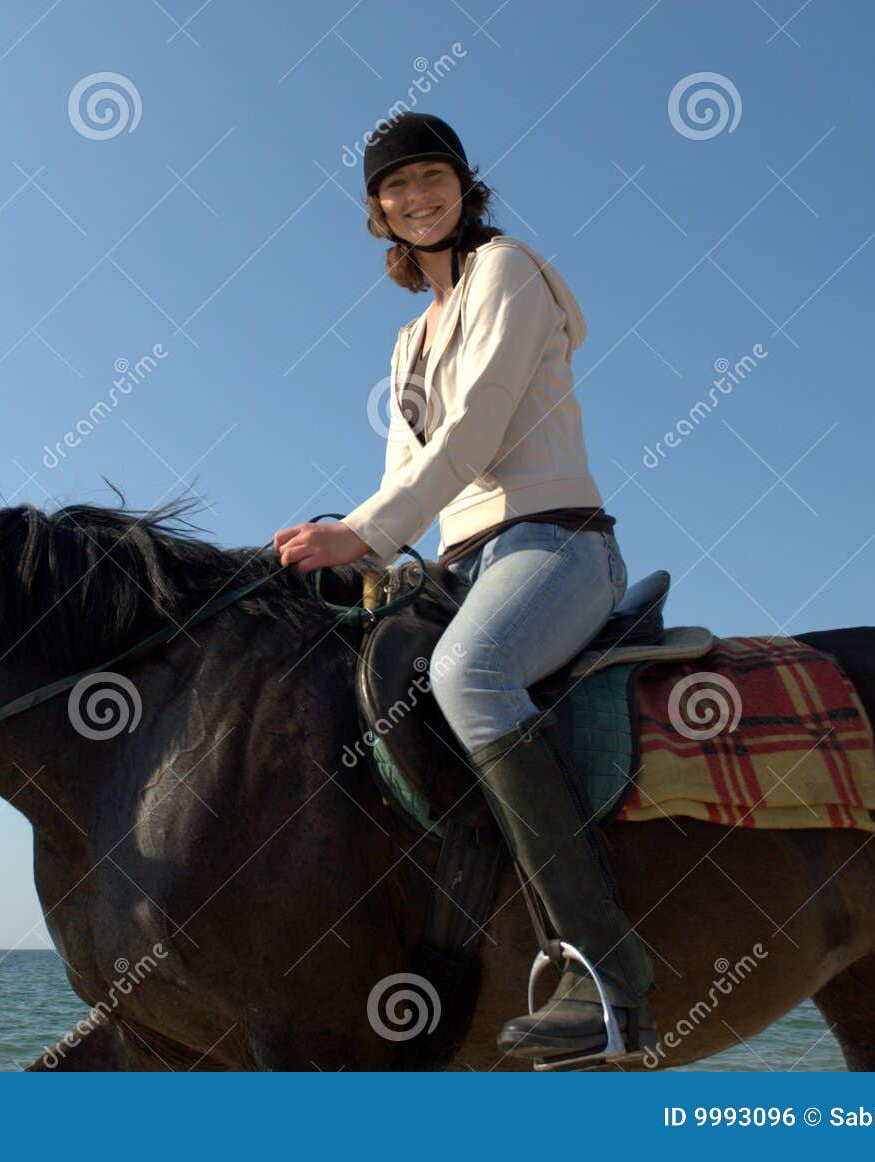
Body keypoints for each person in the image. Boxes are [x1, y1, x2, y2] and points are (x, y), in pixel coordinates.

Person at [272, 112, 654, 1063]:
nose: (416, 196)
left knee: (472, 675)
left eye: (431, 176)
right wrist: (343, 554)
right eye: (395, 189)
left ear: (462, 184)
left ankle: (606, 974)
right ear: (379, 214)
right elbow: (409, 465)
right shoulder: (406, 341)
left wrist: (364, 530)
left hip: (553, 543)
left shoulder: (508, 270)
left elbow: (475, 429)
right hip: (454, 561)